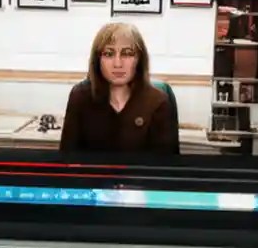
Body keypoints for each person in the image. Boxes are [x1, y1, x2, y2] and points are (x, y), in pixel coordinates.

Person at [59, 22, 177, 154]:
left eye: (127, 54)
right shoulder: (80, 96)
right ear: (98, 60)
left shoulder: (158, 102)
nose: (118, 64)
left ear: (139, 59)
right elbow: (67, 160)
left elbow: (165, 167)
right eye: (109, 54)